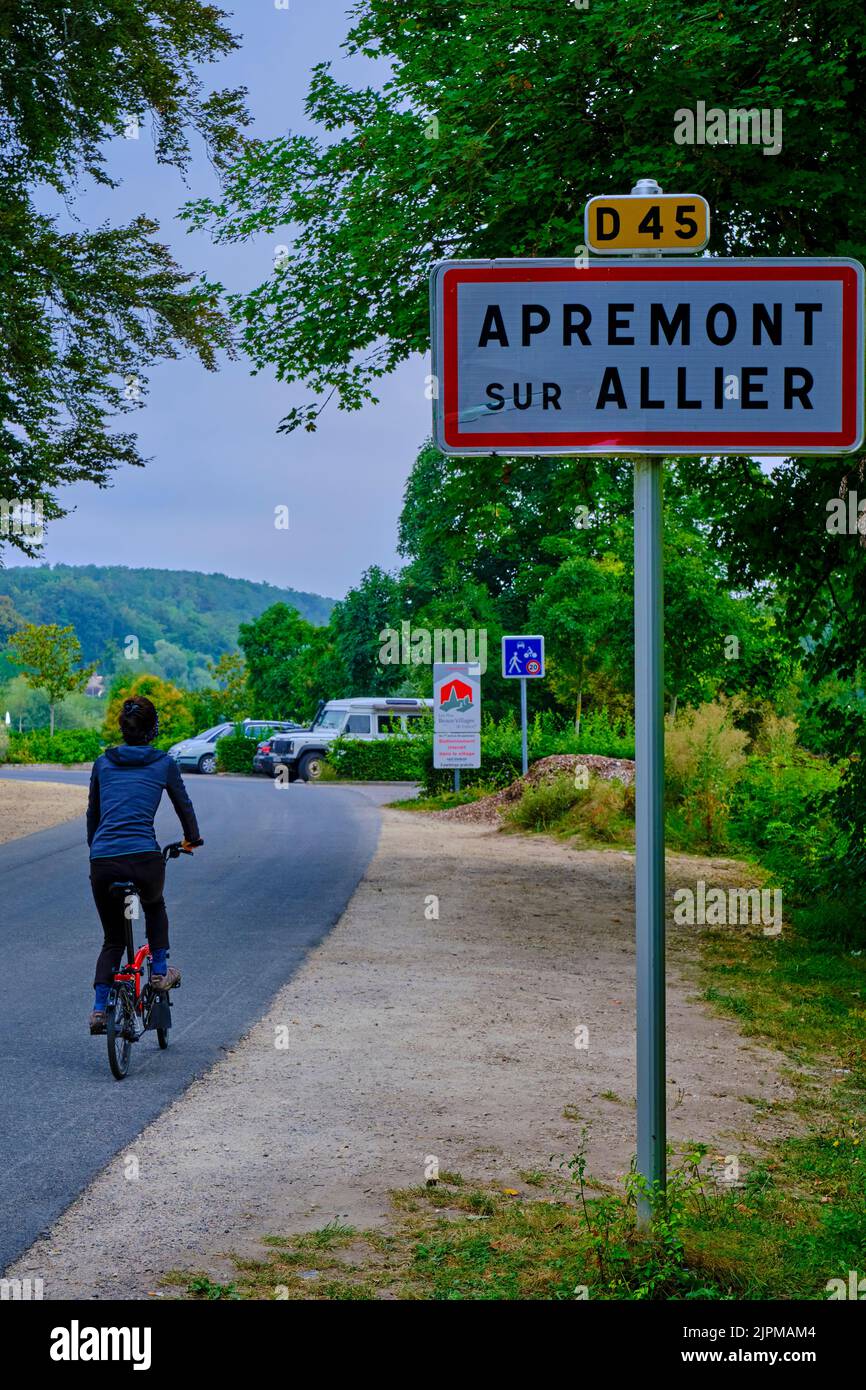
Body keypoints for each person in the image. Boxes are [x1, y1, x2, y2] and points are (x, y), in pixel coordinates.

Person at [86, 695, 202, 1035]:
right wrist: (192, 838)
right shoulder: (164, 763)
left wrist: (98, 850)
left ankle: (97, 1010)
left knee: (112, 939)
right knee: (154, 905)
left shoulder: (102, 763)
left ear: (123, 729)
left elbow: (93, 813)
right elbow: (184, 805)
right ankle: (160, 971)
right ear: (152, 730)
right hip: (143, 859)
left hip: (104, 860)